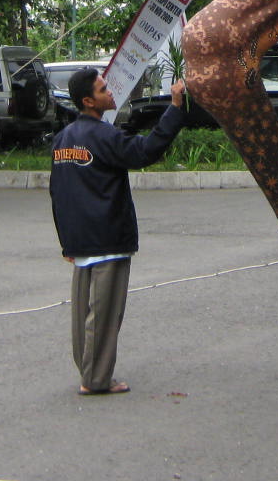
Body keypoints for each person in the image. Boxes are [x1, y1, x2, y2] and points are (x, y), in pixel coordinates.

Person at [49, 67, 187, 396]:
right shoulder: (104, 136)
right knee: (105, 314)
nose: (109, 92)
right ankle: (96, 380)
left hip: (81, 241)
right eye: (102, 89)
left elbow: (58, 192)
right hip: (107, 238)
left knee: (83, 313)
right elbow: (145, 151)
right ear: (88, 101)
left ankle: (88, 371)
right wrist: (175, 108)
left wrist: (67, 242)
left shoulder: (63, 139)